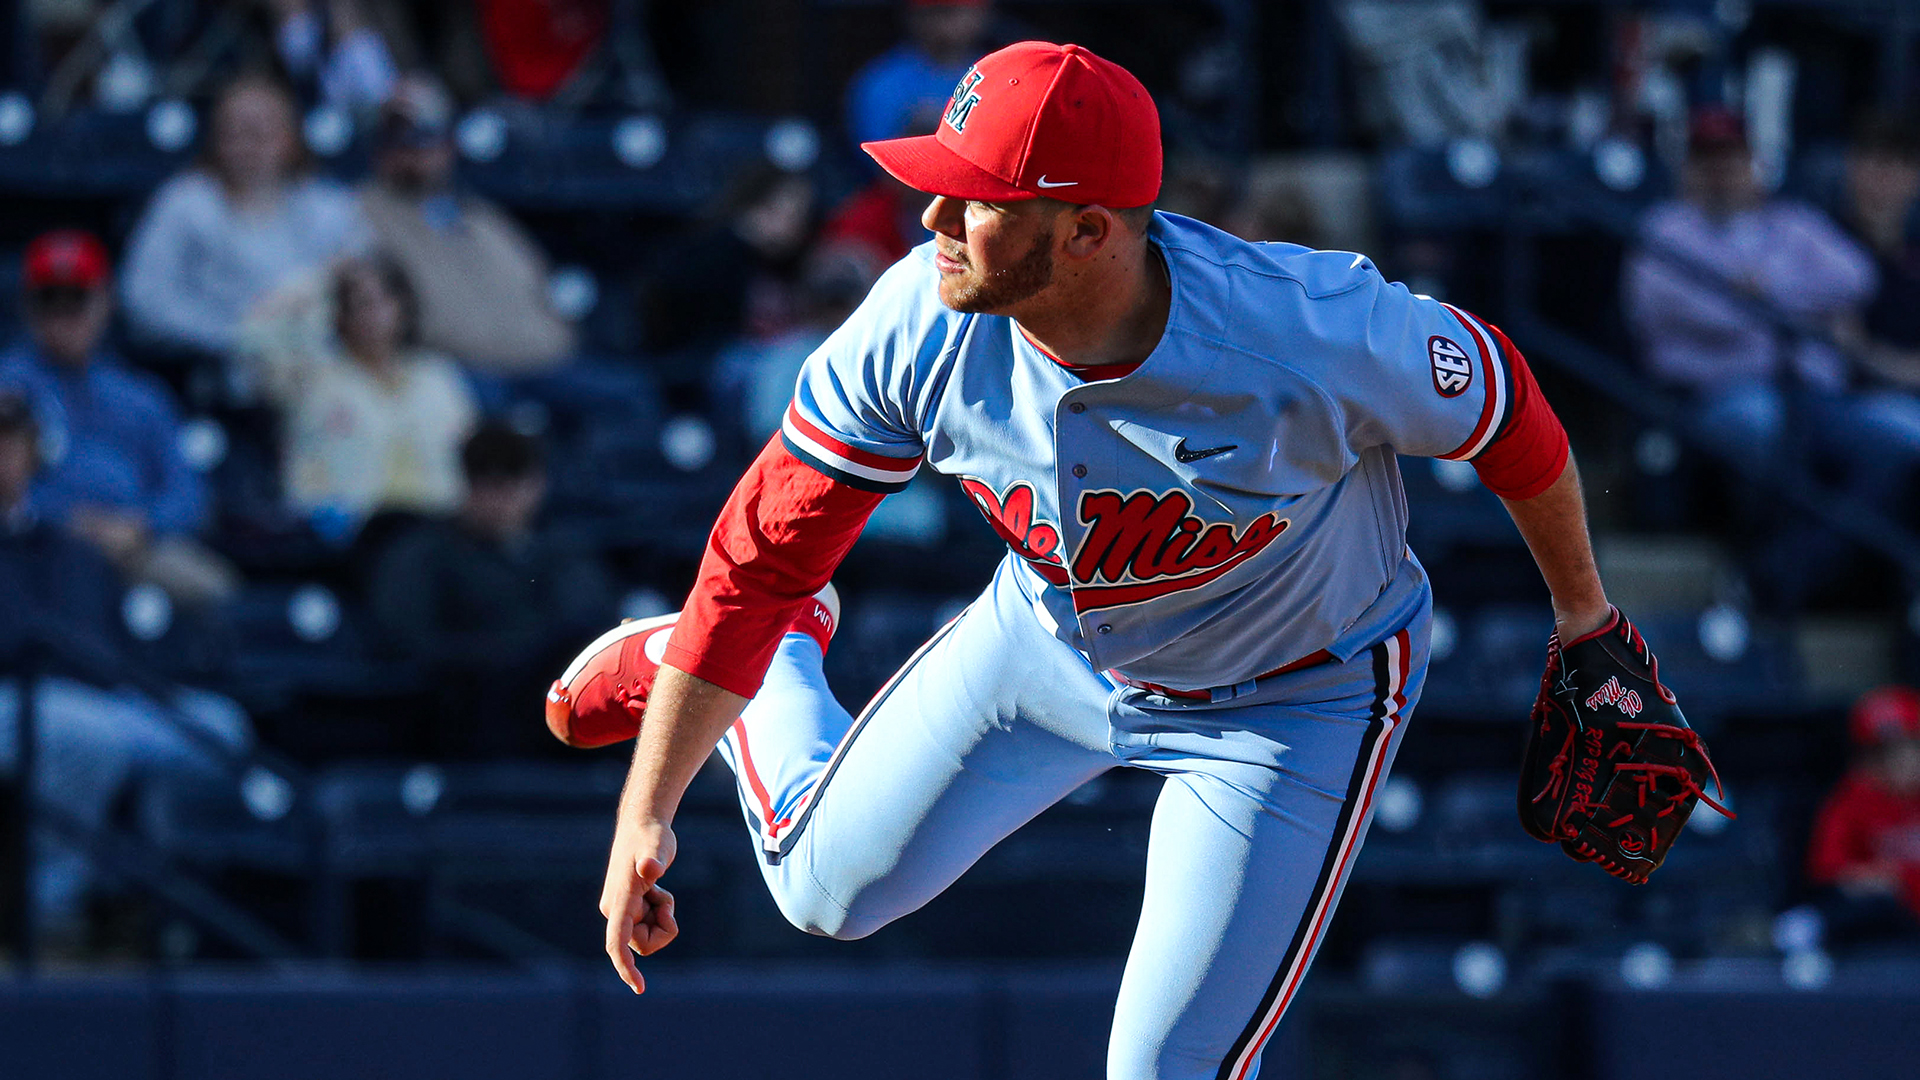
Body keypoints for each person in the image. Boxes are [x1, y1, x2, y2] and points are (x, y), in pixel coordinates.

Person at [566, 43, 1610, 1079]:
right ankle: (773, 667)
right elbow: (756, 567)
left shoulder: (1311, 330)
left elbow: (1507, 410)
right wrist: (647, 809)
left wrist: (1586, 618)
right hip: (1052, 641)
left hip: (1292, 704)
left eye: (972, 199)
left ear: (1087, 232)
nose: (930, 219)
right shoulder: (916, 321)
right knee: (820, 893)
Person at [1623, 106, 1920, 602]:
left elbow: (1855, 276)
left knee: (1898, 449)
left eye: (1731, 158)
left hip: (1814, 394)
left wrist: (1758, 291)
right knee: (1761, 430)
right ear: (1688, 168)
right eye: (1706, 159)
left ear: (1752, 163)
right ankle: (1771, 580)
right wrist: (1783, 303)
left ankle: (1777, 576)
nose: (1721, 171)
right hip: (1718, 392)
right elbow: (1676, 309)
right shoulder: (1667, 228)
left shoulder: (1791, 221)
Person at [0, 393, 250, 946]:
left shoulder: (70, 547)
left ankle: (157, 903)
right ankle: (50, 913)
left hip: (93, 695)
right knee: (84, 734)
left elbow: (115, 642)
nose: (2, 455)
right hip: (17, 696)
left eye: (11, 441)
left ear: (32, 453)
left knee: (217, 728)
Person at [0, 230, 238, 606]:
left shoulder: (140, 395)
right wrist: (62, 521)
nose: (64, 316)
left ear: (104, 303)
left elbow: (188, 494)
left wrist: (140, 527)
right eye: (50, 300)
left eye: (76, 299)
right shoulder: (7, 388)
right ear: (28, 307)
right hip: (27, 548)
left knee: (214, 590)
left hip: (134, 547)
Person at [368, 420, 613, 756]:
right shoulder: (422, 555)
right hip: (463, 722)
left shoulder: (564, 554)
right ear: (466, 483)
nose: (503, 497)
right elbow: (408, 643)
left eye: (515, 480)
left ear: (537, 484)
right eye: (488, 481)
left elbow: (590, 633)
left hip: (558, 723)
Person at [120, 73, 370, 366]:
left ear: (290, 137)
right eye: (231, 133)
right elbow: (142, 298)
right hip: (213, 367)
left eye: (258, 133)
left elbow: (369, 276)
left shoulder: (329, 205)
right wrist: (235, 337)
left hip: (320, 362)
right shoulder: (185, 202)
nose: (245, 146)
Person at [358, 74, 576, 378]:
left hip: (543, 361)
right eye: (398, 140)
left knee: (631, 396)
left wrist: (555, 342)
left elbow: (544, 294)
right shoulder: (360, 216)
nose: (415, 153)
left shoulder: (479, 214)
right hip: (460, 372)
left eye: (426, 138)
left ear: (448, 145)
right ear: (378, 148)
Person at [266, 254, 478, 526]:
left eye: (383, 302)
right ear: (339, 313)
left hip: (436, 525)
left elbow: (469, 454)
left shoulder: (438, 376)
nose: (373, 316)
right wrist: (323, 278)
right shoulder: (311, 378)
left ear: (403, 306)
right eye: (359, 305)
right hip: (347, 531)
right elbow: (259, 334)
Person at [1806, 685, 1920, 948]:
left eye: (1910, 748)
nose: (1900, 762)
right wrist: (1884, 878)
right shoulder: (1852, 799)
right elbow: (1829, 873)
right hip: (1888, 937)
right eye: (1881, 753)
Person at [844, 0, 992, 150]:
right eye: (934, 12)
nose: (943, 23)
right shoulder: (881, 81)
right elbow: (874, 159)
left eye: (953, 11)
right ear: (913, 16)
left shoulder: (998, 73)